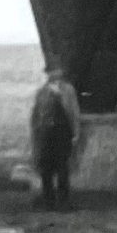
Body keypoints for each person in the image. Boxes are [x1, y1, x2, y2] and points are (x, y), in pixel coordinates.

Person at [28, 66, 82, 209]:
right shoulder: (41, 92)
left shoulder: (67, 90)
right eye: (51, 71)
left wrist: (76, 132)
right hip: (46, 134)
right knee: (46, 168)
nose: (54, 74)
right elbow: (35, 116)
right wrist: (36, 135)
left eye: (56, 71)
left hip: (62, 133)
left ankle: (63, 200)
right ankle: (49, 200)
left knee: (62, 166)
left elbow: (73, 111)